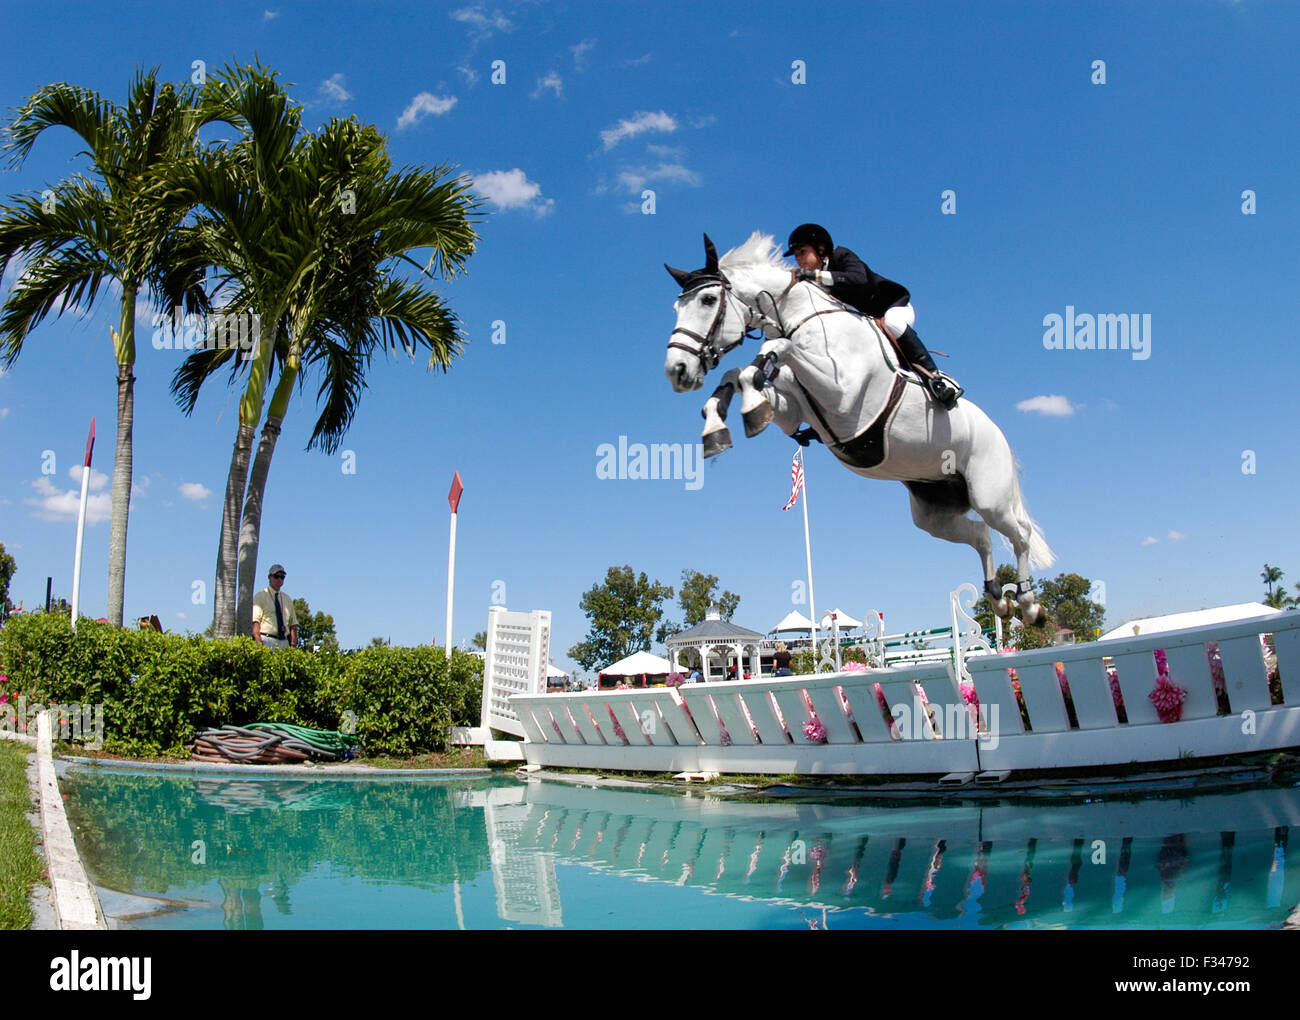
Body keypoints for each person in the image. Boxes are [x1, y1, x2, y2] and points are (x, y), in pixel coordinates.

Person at [784, 223, 961, 409]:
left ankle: (936, 380)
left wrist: (816, 276)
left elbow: (858, 279)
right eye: (796, 255)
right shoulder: (813, 285)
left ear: (820, 248)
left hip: (893, 307)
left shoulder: (842, 256)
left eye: (802, 252)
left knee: (893, 323)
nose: (798, 259)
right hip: (867, 323)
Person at [252, 563, 298, 648]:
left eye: (282, 577)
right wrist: (258, 643)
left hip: (284, 642)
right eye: (276, 576)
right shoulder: (261, 596)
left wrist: (292, 645)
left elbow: (293, 625)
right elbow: (256, 622)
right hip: (266, 639)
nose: (279, 579)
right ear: (270, 577)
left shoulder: (287, 599)